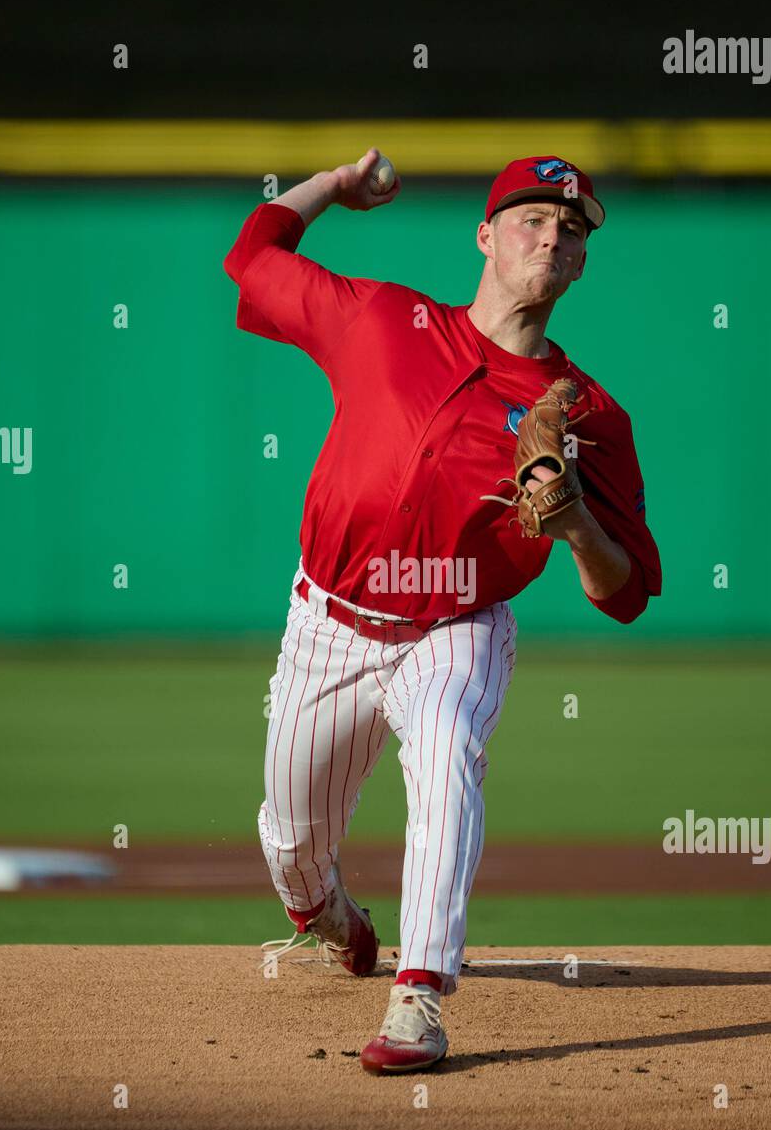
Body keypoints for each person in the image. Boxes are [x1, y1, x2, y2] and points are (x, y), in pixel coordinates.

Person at [223, 150, 661, 1073]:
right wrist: (334, 188)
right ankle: (326, 913)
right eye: (533, 219)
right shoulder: (383, 320)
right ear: (486, 237)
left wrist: (578, 522)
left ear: (582, 262)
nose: (553, 236)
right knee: (290, 841)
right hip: (329, 624)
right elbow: (255, 255)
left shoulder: (587, 416)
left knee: (449, 751)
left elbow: (625, 593)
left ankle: (419, 996)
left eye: (572, 229)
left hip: (456, 628)